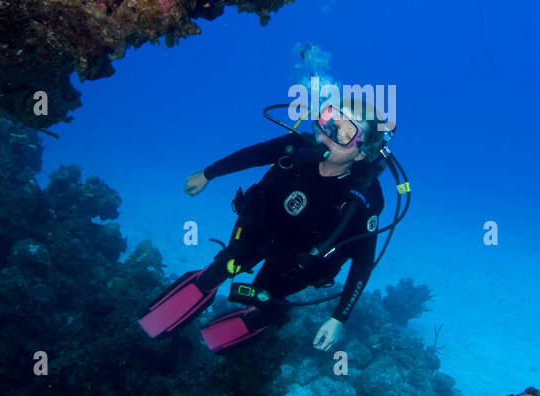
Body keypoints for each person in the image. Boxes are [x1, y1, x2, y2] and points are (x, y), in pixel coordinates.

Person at [138, 101, 392, 352]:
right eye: (330, 122)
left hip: (297, 262)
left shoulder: (363, 199)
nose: (329, 134)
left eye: (346, 133)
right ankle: (159, 323)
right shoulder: (296, 147)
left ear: (361, 153)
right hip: (260, 228)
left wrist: (338, 318)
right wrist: (208, 174)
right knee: (224, 266)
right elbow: (254, 154)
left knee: (266, 295)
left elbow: (363, 261)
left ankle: (269, 315)